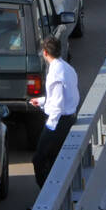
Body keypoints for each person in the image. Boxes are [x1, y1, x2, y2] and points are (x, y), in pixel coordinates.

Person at [29, 36, 79, 188]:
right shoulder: (66, 67)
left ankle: (45, 195)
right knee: (52, 159)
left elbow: (57, 104)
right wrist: (43, 101)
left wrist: (49, 127)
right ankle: (56, 193)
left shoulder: (55, 73)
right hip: (68, 117)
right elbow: (64, 96)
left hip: (58, 122)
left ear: (44, 53)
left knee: (38, 159)